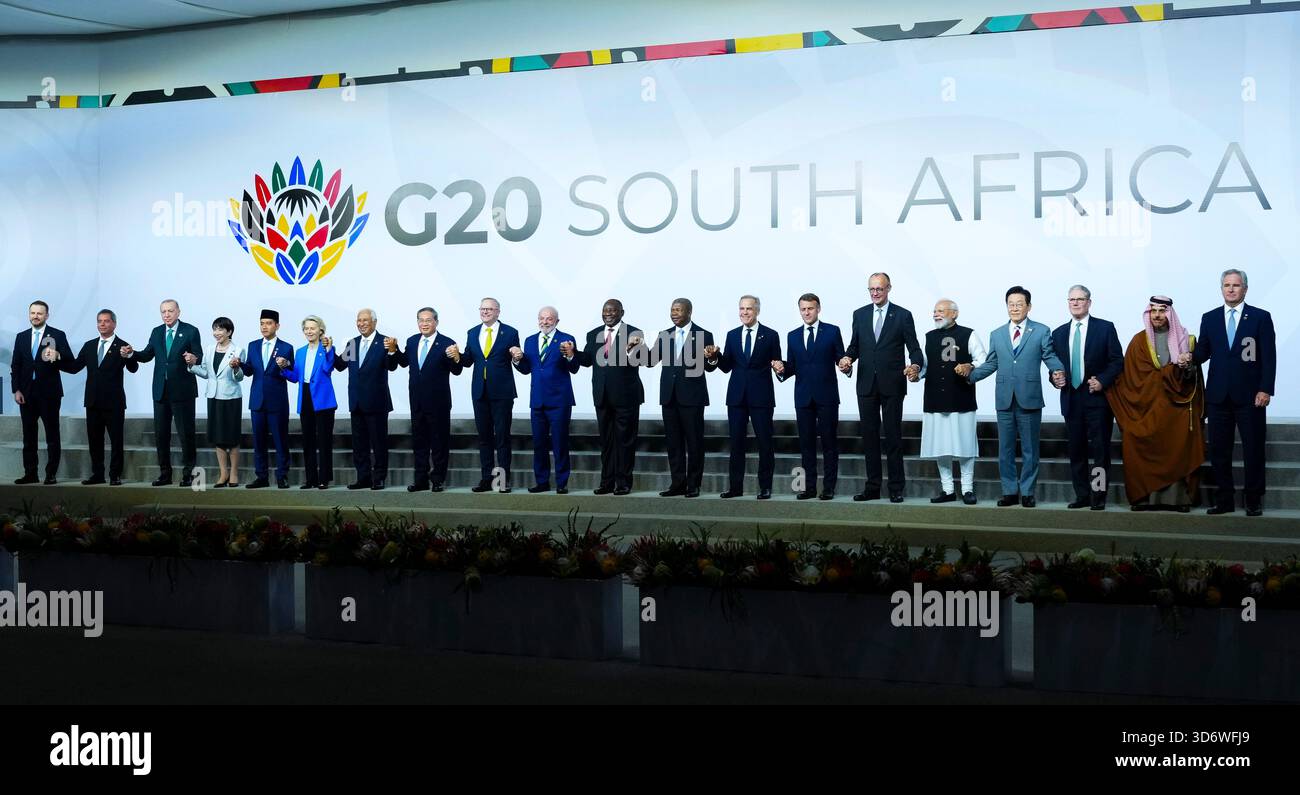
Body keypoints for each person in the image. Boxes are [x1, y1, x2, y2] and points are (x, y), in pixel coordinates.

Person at [968, 286, 1066, 508]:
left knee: (1031, 449)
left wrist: (1058, 371)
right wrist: (969, 377)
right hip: (1004, 399)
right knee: (1006, 449)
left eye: (1019, 304)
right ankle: (1010, 491)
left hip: (1029, 398)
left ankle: (1028, 492)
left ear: (1028, 307)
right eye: (1010, 304)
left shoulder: (1041, 331)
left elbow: (1049, 356)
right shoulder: (997, 334)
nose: (1014, 308)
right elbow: (992, 363)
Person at [1106, 297, 1204, 512]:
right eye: (1153, 311)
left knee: (1177, 448)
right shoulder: (1138, 342)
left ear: (1170, 314)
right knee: (1136, 439)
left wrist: (1187, 366)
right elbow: (1132, 377)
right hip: (1146, 408)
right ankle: (1143, 499)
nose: (1158, 315)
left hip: (1176, 410)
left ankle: (1178, 500)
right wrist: (1106, 382)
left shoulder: (1187, 342)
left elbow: (1193, 379)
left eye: (1162, 311)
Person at [1194, 268, 1276, 516]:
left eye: (1236, 285)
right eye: (1227, 285)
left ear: (1245, 289)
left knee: (1253, 450)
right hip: (1218, 397)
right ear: (1221, 289)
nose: (1231, 289)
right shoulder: (1209, 318)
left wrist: (1265, 389)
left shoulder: (1260, 317)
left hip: (1251, 397)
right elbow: (1203, 353)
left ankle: (1253, 499)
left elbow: (1269, 357)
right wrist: (1188, 356)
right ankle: (1224, 500)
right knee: (1220, 452)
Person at [839, 273, 922, 503]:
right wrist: (847, 359)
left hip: (893, 384)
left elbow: (914, 348)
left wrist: (915, 365)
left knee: (893, 437)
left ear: (889, 289)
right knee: (870, 438)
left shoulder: (903, 315)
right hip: (866, 385)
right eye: (871, 289)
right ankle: (872, 487)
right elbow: (854, 346)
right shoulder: (860, 314)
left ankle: (896, 488)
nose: (875, 293)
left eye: (879, 289)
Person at [1050, 285, 1124, 510]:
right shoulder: (1059, 333)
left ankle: (1098, 496)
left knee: (1100, 452)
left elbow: (1117, 361)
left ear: (1089, 302)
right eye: (1071, 299)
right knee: (1077, 452)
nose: (1075, 303)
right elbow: (1054, 367)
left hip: (1097, 400)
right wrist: (1055, 379)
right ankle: (1082, 495)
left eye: (1080, 299)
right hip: (1071, 399)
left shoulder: (1105, 328)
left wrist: (1102, 380)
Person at [120, 298, 203, 487]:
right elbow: (147, 355)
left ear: (178, 312)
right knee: (161, 435)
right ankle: (164, 473)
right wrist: (132, 354)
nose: (166, 315)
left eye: (170, 311)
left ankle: (189, 474)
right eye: (163, 312)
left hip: (183, 391)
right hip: (161, 391)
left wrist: (193, 358)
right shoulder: (157, 332)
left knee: (186, 434)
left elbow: (199, 356)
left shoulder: (190, 331)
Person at [774, 293, 846, 500]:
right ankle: (808, 487)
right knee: (806, 446)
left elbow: (840, 357)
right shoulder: (792, 335)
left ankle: (829, 488)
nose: (806, 312)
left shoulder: (832, 331)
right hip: (803, 398)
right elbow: (793, 366)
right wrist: (781, 369)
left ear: (818, 309)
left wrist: (844, 365)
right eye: (803, 309)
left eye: (810, 308)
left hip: (827, 397)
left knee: (829, 444)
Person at [710, 295, 782, 500]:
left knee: (765, 443)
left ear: (757, 310)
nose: (744, 312)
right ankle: (735, 487)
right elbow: (726, 367)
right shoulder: (732, 335)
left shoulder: (770, 335)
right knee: (736, 444)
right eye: (741, 308)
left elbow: (777, 363)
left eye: (749, 309)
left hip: (762, 397)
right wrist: (715, 356)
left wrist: (779, 368)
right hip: (736, 398)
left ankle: (765, 487)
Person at [915, 299, 984, 505]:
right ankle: (947, 489)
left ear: (954, 313)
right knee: (940, 446)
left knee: (966, 445)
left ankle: (967, 489)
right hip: (935, 398)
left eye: (941, 311)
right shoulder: (928, 337)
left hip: (961, 397)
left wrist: (969, 365)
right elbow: (924, 366)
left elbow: (983, 360)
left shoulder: (968, 334)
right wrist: (915, 372)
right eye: (934, 311)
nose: (936, 314)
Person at [56, 309, 135, 486]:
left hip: (114, 402)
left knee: (116, 441)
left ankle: (115, 475)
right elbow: (75, 367)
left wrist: (129, 356)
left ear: (114, 324)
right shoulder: (89, 345)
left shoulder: (123, 345)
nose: (102, 324)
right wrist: (57, 358)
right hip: (92, 401)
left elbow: (133, 368)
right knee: (94, 440)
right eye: (99, 321)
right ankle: (97, 474)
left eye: (106, 321)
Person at [647, 298, 716, 498]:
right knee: (673, 443)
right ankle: (677, 483)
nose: (674, 313)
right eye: (672, 310)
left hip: (692, 397)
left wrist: (711, 357)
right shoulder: (664, 334)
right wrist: (635, 348)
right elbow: (651, 360)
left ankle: (693, 484)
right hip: (669, 397)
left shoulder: (704, 334)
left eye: (678, 310)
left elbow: (710, 367)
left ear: (689, 312)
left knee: (694, 442)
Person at [575, 299, 646, 496]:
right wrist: (573, 354)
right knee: (606, 442)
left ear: (622, 312)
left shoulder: (634, 332)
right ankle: (606, 482)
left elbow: (643, 359)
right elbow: (589, 360)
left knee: (625, 441)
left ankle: (623, 483)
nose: (608, 313)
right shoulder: (594, 334)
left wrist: (633, 348)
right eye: (605, 310)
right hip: (602, 395)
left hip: (627, 396)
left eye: (613, 310)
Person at [450, 297, 519, 493]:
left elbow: (517, 359)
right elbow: (467, 361)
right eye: (483, 309)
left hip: (502, 392)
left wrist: (517, 357)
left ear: (498, 312)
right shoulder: (472, 333)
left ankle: (502, 481)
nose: (485, 312)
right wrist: (457, 357)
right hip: (480, 392)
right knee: (484, 438)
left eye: (490, 309)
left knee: (502, 437)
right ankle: (486, 479)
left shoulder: (510, 332)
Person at [511, 306, 579, 494]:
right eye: (541, 318)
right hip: (538, 400)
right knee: (539, 444)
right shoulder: (530, 340)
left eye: (549, 319)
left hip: (559, 401)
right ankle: (542, 481)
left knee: (560, 443)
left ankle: (562, 482)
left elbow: (574, 367)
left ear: (557, 321)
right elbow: (527, 369)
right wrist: (517, 360)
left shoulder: (566, 339)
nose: (545, 322)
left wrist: (571, 354)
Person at [394, 307, 462, 492]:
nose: (424, 323)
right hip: (416, 402)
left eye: (428, 320)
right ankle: (420, 480)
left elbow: (457, 371)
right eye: (420, 320)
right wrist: (394, 351)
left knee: (439, 443)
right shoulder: (412, 340)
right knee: (419, 443)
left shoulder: (447, 343)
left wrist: (457, 358)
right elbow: (403, 362)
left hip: (439, 403)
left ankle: (438, 480)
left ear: (436, 322)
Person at [332, 308, 399, 490]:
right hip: (357, 402)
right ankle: (363, 477)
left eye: (365, 320)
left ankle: (379, 478)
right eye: (359, 320)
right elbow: (340, 366)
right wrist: (329, 349)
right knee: (359, 445)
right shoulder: (352, 344)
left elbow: (392, 366)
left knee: (379, 443)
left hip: (377, 402)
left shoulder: (385, 342)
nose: (361, 323)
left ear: (374, 322)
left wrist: (393, 351)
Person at [10, 300, 74, 485]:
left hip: (49, 394)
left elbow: (70, 361)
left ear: (47, 315)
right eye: (32, 313)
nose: (35, 316)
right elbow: (16, 365)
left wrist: (58, 356)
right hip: (26, 395)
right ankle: (30, 473)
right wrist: (16, 390)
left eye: (39, 313)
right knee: (28, 437)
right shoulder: (21, 337)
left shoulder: (57, 335)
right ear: (29, 314)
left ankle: (50, 474)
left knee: (52, 435)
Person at [184, 317, 245, 488]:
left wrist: (236, 368)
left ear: (229, 331)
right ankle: (223, 473)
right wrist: (192, 365)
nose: (216, 333)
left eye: (220, 329)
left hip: (231, 397)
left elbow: (239, 377)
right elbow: (206, 373)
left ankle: (233, 473)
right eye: (214, 329)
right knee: (218, 437)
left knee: (232, 437)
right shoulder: (209, 349)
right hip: (213, 396)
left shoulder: (238, 350)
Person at [278, 315, 337, 490]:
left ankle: (324, 478)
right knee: (308, 441)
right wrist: (283, 367)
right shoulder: (300, 351)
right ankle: (310, 478)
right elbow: (295, 377)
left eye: (313, 328)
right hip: (305, 397)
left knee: (324, 441)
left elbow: (328, 368)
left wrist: (329, 350)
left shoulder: (326, 348)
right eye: (306, 329)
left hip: (323, 400)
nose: (309, 331)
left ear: (321, 330)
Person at [238, 309, 295, 489]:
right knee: (259, 441)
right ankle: (261, 476)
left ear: (277, 326)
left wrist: (285, 365)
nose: (264, 326)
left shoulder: (286, 347)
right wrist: (238, 364)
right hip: (257, 400)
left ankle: (282, 476)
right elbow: (249, 371)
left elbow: (292, 373)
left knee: (280, 440)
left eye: (268, 323)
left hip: (277, 401)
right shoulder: (253, 345)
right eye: (262, 323)